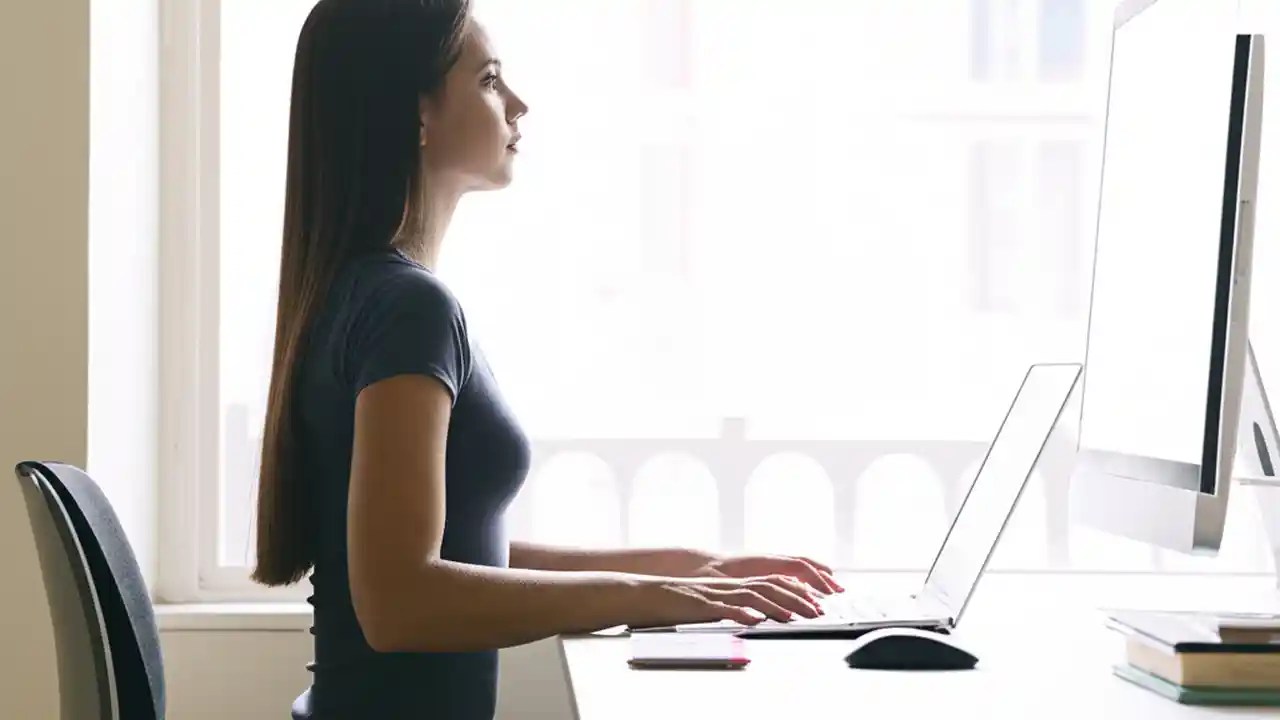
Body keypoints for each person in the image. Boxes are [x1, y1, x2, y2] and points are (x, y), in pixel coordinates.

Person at [252, 1, 844, 717]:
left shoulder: (360, 293)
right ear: (417, 113)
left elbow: (466, 548)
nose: (519, 104)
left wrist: (692, 570)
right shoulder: (406, 310)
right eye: (490, 80)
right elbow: (401, 603)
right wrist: (651, 598)